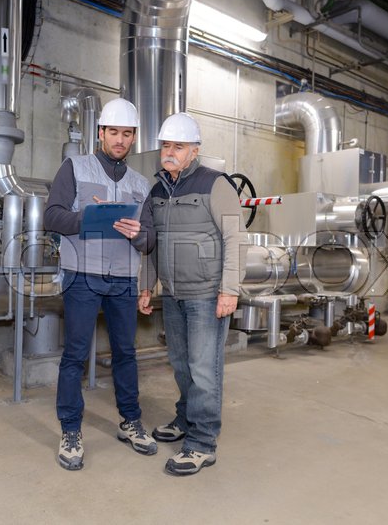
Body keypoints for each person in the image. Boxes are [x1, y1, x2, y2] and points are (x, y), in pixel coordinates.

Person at [44, 98, 157, 471]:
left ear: (134, 137)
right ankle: (71, 430)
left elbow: (149, 240)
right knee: (75, 355)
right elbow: (52, 217)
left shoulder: (142, 184)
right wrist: (87, 218)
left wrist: (139, 234)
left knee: (126, 353)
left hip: (124, 278)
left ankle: (130, 421)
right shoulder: (74, 168)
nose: (120, 140)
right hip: (82, 275)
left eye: (127, 134)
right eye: (114, 133)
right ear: (101, 133)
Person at [138, 112, 247, 476]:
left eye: (178, 146)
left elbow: (235, 238)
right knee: (182, 365)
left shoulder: (215, 184)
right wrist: (146, 285)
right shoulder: (156, 191)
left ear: (194, 150)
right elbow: (152, 243)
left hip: (206, 294)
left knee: (204, 369)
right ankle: (185, 420)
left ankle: (202, 442)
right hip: (172, 294)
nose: (169, 152)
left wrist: (229, 289)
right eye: (166, 145)